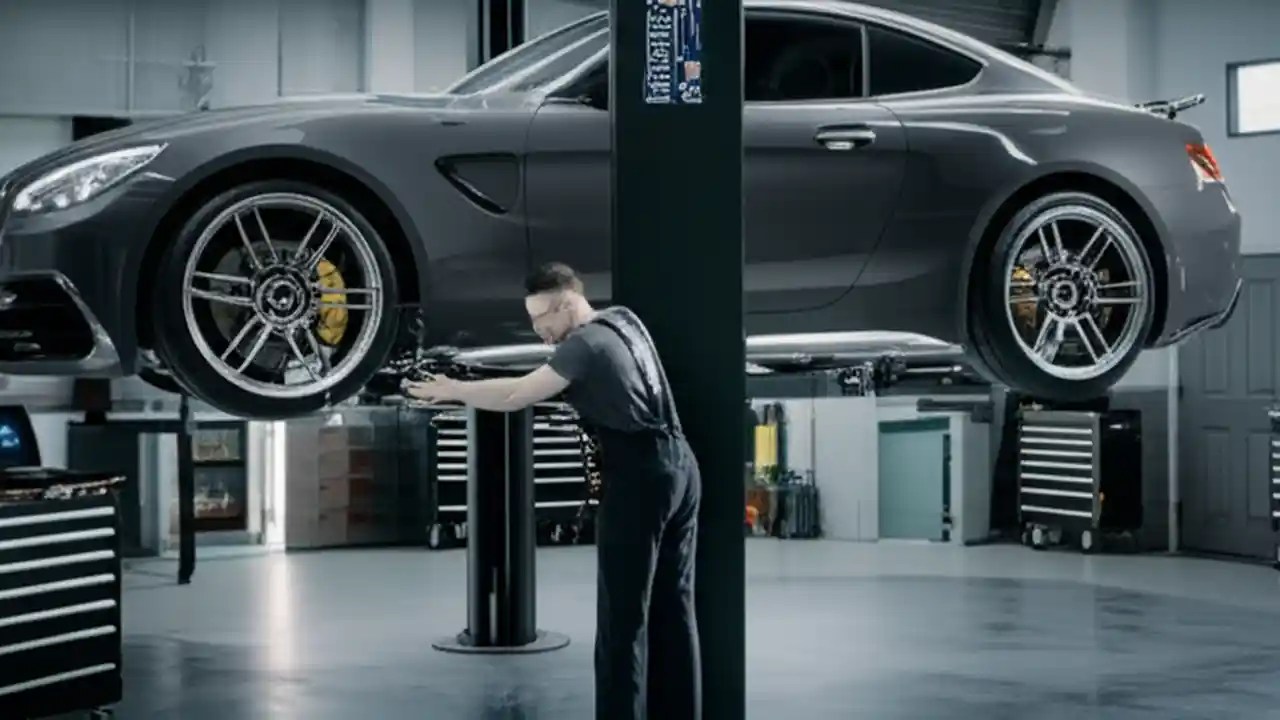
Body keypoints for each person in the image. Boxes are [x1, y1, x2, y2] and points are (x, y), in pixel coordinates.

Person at [405, 262, 702, 719]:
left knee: (621, 623)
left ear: (565, 303)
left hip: (639, 476)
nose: (538, 330)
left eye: (540, 318)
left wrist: (454, 390)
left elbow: (516, 395)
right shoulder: (623, 320)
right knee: (675, 608)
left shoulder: (584, 344)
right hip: (681, 468)